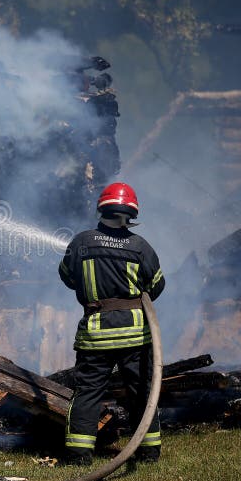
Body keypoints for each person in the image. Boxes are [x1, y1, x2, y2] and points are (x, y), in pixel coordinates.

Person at [58, 182, 165, 465]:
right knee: (142, 392)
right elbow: (157, 286)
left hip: (96, 335)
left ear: (102, 208)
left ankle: (79, 456)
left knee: (88, 394)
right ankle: (149, 452)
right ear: (131, 213)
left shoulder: (82, 242)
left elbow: (67, 277)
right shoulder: (140, 247)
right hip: (135, 336)